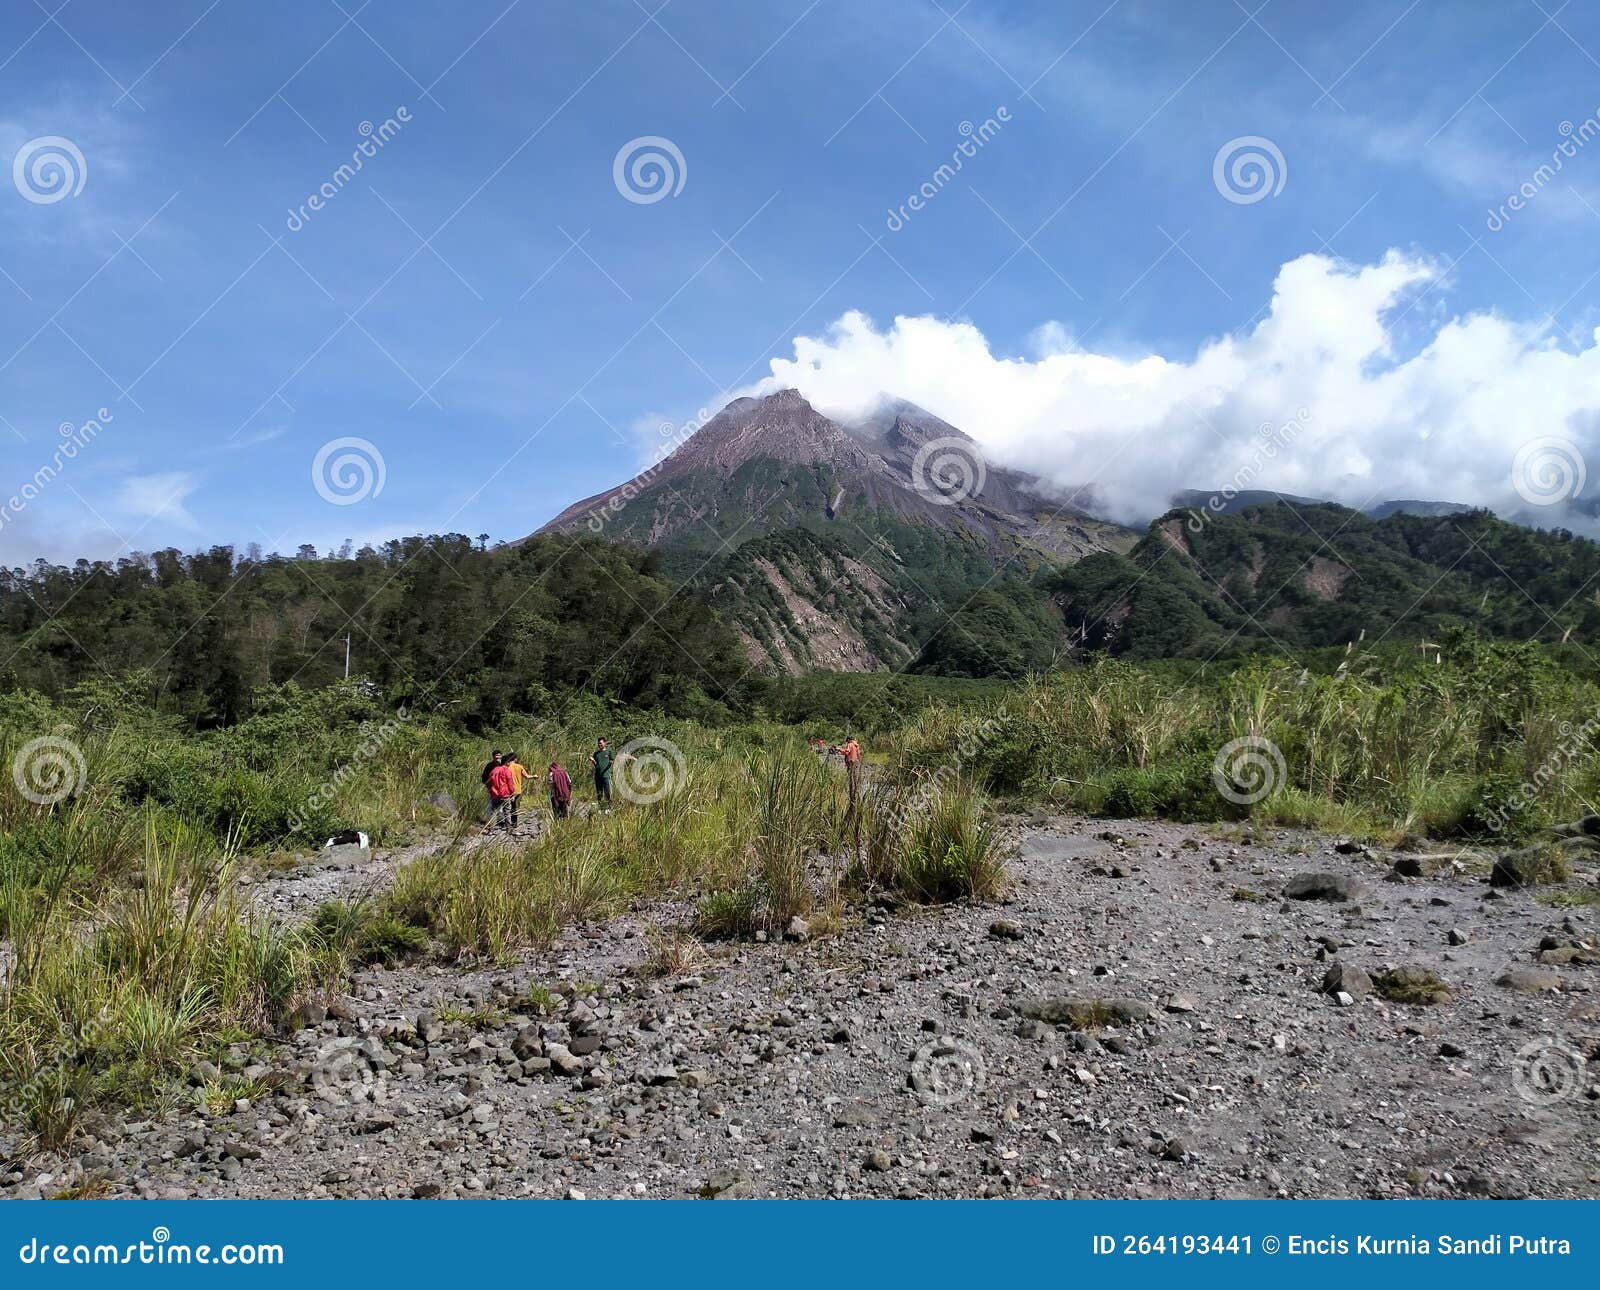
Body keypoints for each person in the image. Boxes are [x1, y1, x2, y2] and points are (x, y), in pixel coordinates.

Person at [502, 752, 534, 830]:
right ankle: (514, 823)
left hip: (507, 790)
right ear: (515, 759)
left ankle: (507, 823)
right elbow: (527, 776)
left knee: (506, 807)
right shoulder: (519, 766)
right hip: (517, 790)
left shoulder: (506, 767)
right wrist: (534, 776)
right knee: (514, 806)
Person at [485, 757, 516, 832]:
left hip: (495, 795)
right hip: (505, 794)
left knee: (493, 812)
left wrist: (491, 791)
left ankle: (492, 829)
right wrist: (512, 793)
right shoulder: (507, 771)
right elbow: (510, 783)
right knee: (507, 811)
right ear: (507, 763)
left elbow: (488, 783)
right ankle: (508, 828)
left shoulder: (493, 771)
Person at [480, 749, 503, 824]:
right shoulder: (489, 766)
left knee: (502, 805)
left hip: (502, 788)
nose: (498, 758)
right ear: (493, 757)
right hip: (492, 788)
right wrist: (488, 785)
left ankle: (501, 820)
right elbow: (484, 777)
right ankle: (490, 821)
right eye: (496, 757)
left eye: (499, 756)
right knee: (490, 804)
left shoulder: (504, 764)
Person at [590, 737, 614, 808]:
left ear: (605, 743)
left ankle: (609, 806)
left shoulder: (609, 751)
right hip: (598, 776)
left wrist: (610, 763)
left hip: (606, 775)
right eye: (598, 743)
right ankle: (600, 806)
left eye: (600, 743)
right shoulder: (596, 753)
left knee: (608, 792)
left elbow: (612, 761)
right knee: (599, 793)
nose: (599, 744)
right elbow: (596, 765)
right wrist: (593, 761)